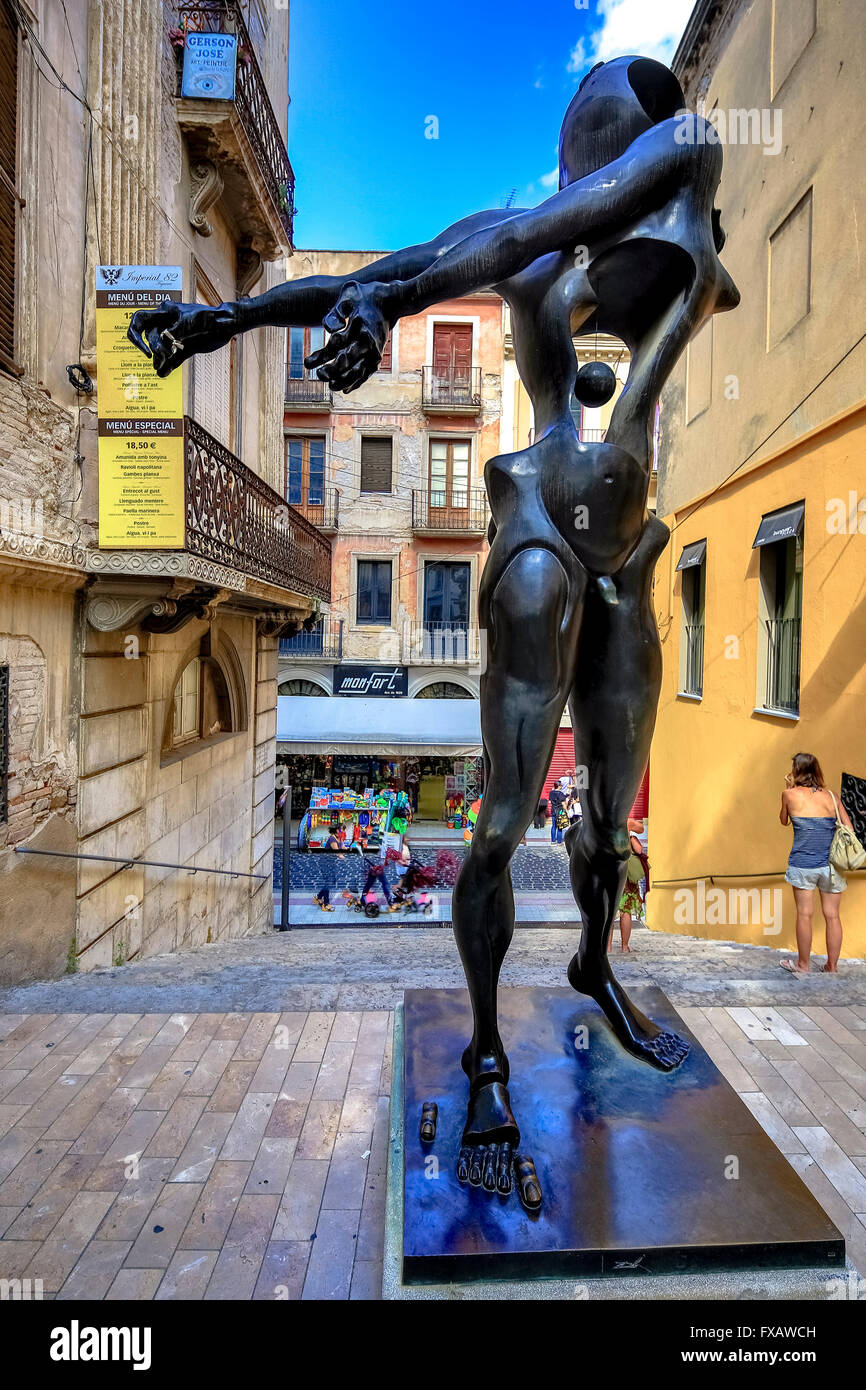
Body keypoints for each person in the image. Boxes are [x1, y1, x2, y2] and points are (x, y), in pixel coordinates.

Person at [128, 55, 737, 1209]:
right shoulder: (525, 235)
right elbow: (405, 272)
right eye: (618, 106)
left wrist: (391, 296)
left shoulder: (684, 164)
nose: (643, 114)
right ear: (581, 130)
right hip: (536, 535)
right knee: (504, 819)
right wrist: (228, 316)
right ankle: (487, 1053)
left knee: (609, 817)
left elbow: (515, 243)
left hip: (631, 545)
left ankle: (597, 968)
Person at [779, 753, 854, 974]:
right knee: (832, 915)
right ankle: (832, 966)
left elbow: (783, 820)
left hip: (803, 864)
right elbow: (848, 828)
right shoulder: (831, 796)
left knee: (804, 913)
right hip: (830, 866)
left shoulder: (788, 794)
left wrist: (788, 789)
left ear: (796, 771)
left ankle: (803, 965)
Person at [610, 817, 648, 953]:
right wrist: (629, 825)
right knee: (625, 912)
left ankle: (607, 947)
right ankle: (624, 947)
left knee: (609, 912)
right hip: (626, 872)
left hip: (609, 869)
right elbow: (641, 829)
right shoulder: (627, 821)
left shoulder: (606, 820)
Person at [312, 832, 341, 912]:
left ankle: (318, 897)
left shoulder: (338, 839)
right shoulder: (332, 839)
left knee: (332, 881)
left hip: (330, 864)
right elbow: (337, 852)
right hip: (325, 864)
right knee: (328, 883)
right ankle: (326, 905)